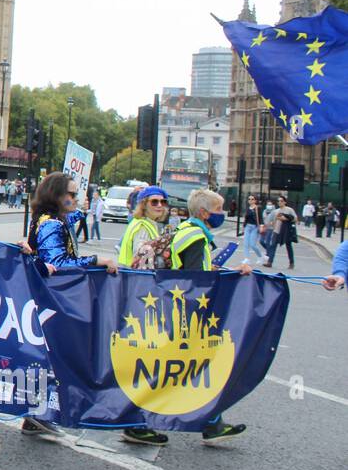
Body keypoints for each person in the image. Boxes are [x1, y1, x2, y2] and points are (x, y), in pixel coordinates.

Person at [122, 188, 256, 448]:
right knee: (173, 370)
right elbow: (198, 280)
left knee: (186, 370)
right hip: (180, 315)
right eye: (218, 210)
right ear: (205, 213)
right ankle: (135, 423)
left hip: (167, 309)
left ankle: (211, 423)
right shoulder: (195, 237)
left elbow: (194, 269)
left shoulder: (186, 231)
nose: (222, 214)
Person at [23, 172, 118, 438]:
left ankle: (39, 414)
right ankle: (39, 413)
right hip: (52, 300)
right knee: (53, 357)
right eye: (72, 194)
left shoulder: (53, 220)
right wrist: (96, 260)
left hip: (48, 299)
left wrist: (81, 211)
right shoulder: (52, 224)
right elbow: (60, 264)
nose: (76, 198)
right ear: (57, 195)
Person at [116, 185, 170, 268]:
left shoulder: (145, 222)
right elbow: (141, 259)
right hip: (136, 276)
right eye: (154, 202)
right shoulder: (142, 227)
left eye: (163, 202)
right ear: (144, 205)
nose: (159, 205)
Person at [265, 195, 297, 270]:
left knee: (288, 246)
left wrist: (285, 219)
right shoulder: (276, 211)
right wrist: (271, 224)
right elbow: (270, 220)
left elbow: (295, 219)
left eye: (281, 201)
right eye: (278, 201)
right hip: (277, 230)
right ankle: (270, 262)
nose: (280, 202)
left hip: (286, 231)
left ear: (285, 202)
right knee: (273, 245)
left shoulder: (289, 210)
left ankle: (291, 263)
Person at [241, 194, 265, 263]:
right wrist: (243, 227)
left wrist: (261, 226)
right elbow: (246, 218)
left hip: (254, 227)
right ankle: (246, 258)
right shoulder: (248, 208)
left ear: (255, 200)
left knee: (252, 245)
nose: (250, 200)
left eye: (252, 199)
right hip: (247, 227)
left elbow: (260, 218)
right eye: (249, 199)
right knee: (246, 244)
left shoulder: (257, 208)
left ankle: (260, 256)